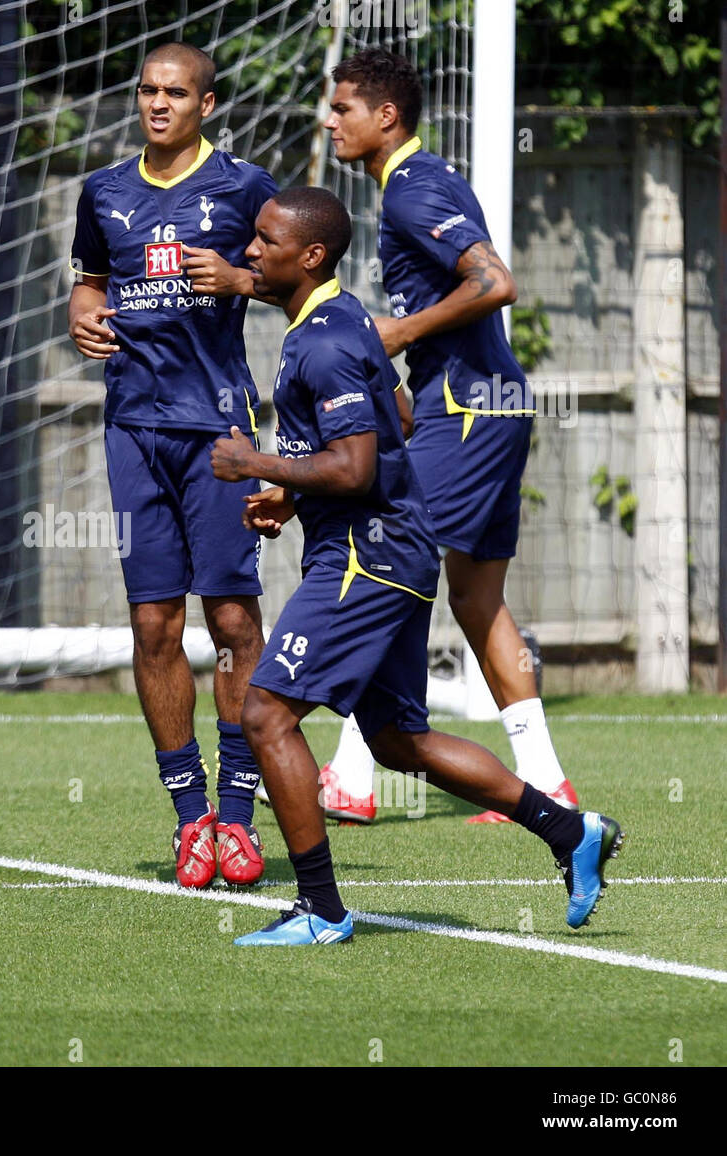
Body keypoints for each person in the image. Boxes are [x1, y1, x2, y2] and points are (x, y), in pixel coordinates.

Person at [208, 186, 622, 946]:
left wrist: (254, 462)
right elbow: (396, 418)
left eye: (265, 240)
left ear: (310, 256)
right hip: (387, 546)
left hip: (365, 556)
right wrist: (293, 496)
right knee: (398, 740)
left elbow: (360, 466)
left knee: (265, 714)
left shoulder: (325, 341)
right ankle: (569, 830)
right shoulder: (343, 322)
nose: (250, 252)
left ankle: (322, 911)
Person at [307, 48, 577, 825]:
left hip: (470, 410)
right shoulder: (422, 182)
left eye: (344, 108)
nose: (331, 120)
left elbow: (495, 282)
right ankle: (546, 779)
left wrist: (400, 332)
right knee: (475, 597)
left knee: (386, 556)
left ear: (385, 116)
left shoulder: (413, 189)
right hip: (483, 404)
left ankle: (354, 775)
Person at [68, 43, 277, 887]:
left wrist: (237, 277)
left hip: (221, 433)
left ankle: (239, 813)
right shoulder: (105, 191)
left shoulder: (243, 188)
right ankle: (190, 819)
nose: (158, 105)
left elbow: (297, 280)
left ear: (208, 104)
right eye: (148, 92)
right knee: (155, 624)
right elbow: (88, 282)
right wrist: (84, 316)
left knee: (231, 623)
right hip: (133, 429)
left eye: (176, 94)